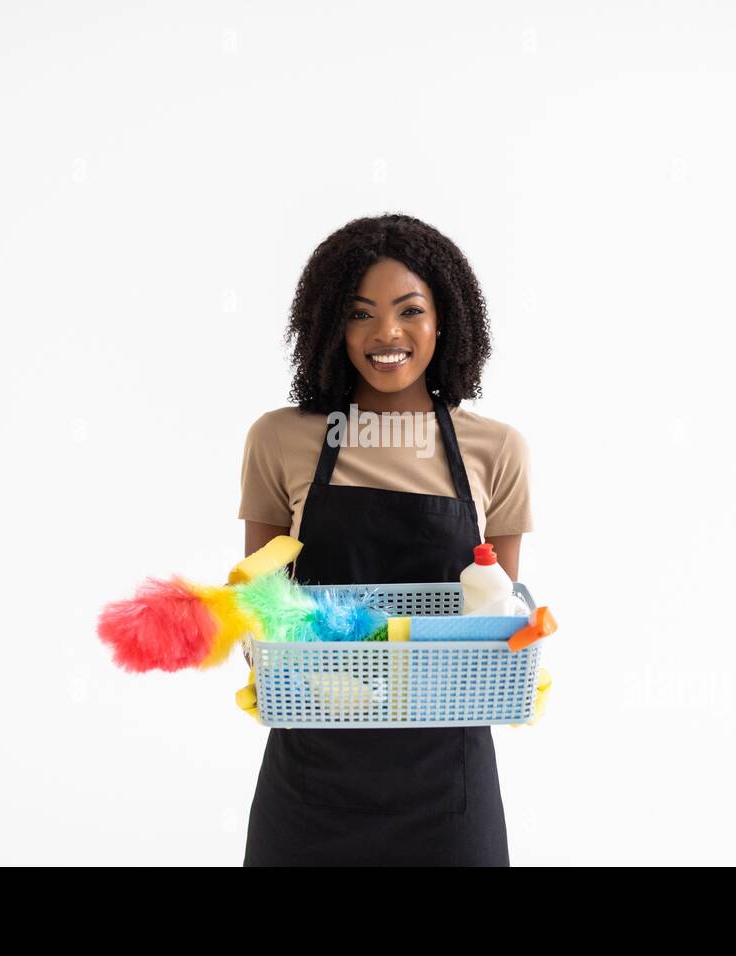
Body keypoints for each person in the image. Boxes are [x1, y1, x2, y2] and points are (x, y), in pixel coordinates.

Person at [238, 213, 533, 866]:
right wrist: (257, 644)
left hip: (447, 788)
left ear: (445, 321)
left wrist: (519, 647)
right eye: (360, 313)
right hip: (312, 778)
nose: (386, 335)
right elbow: (260, 598)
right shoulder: (279, 440)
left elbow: (498, 614)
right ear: (329, 325)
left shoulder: (495, 449)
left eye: (409, 311)